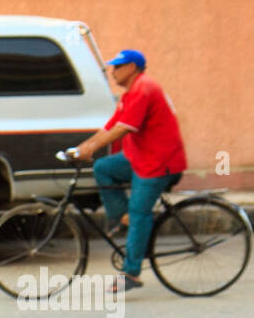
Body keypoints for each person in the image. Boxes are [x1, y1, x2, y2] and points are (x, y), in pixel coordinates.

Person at [74, 49, 187, 294]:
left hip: (159, 162)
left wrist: (92, 146)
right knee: (103, 168)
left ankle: (131, 273)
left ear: (132, 68)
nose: (113, 71)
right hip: (139, 157)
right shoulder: (129, 94)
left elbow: (125, 128)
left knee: (139, 213)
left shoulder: (145, 89)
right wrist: (83, 146)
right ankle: (123, 219)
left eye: (118, 66)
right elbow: (111, 125)